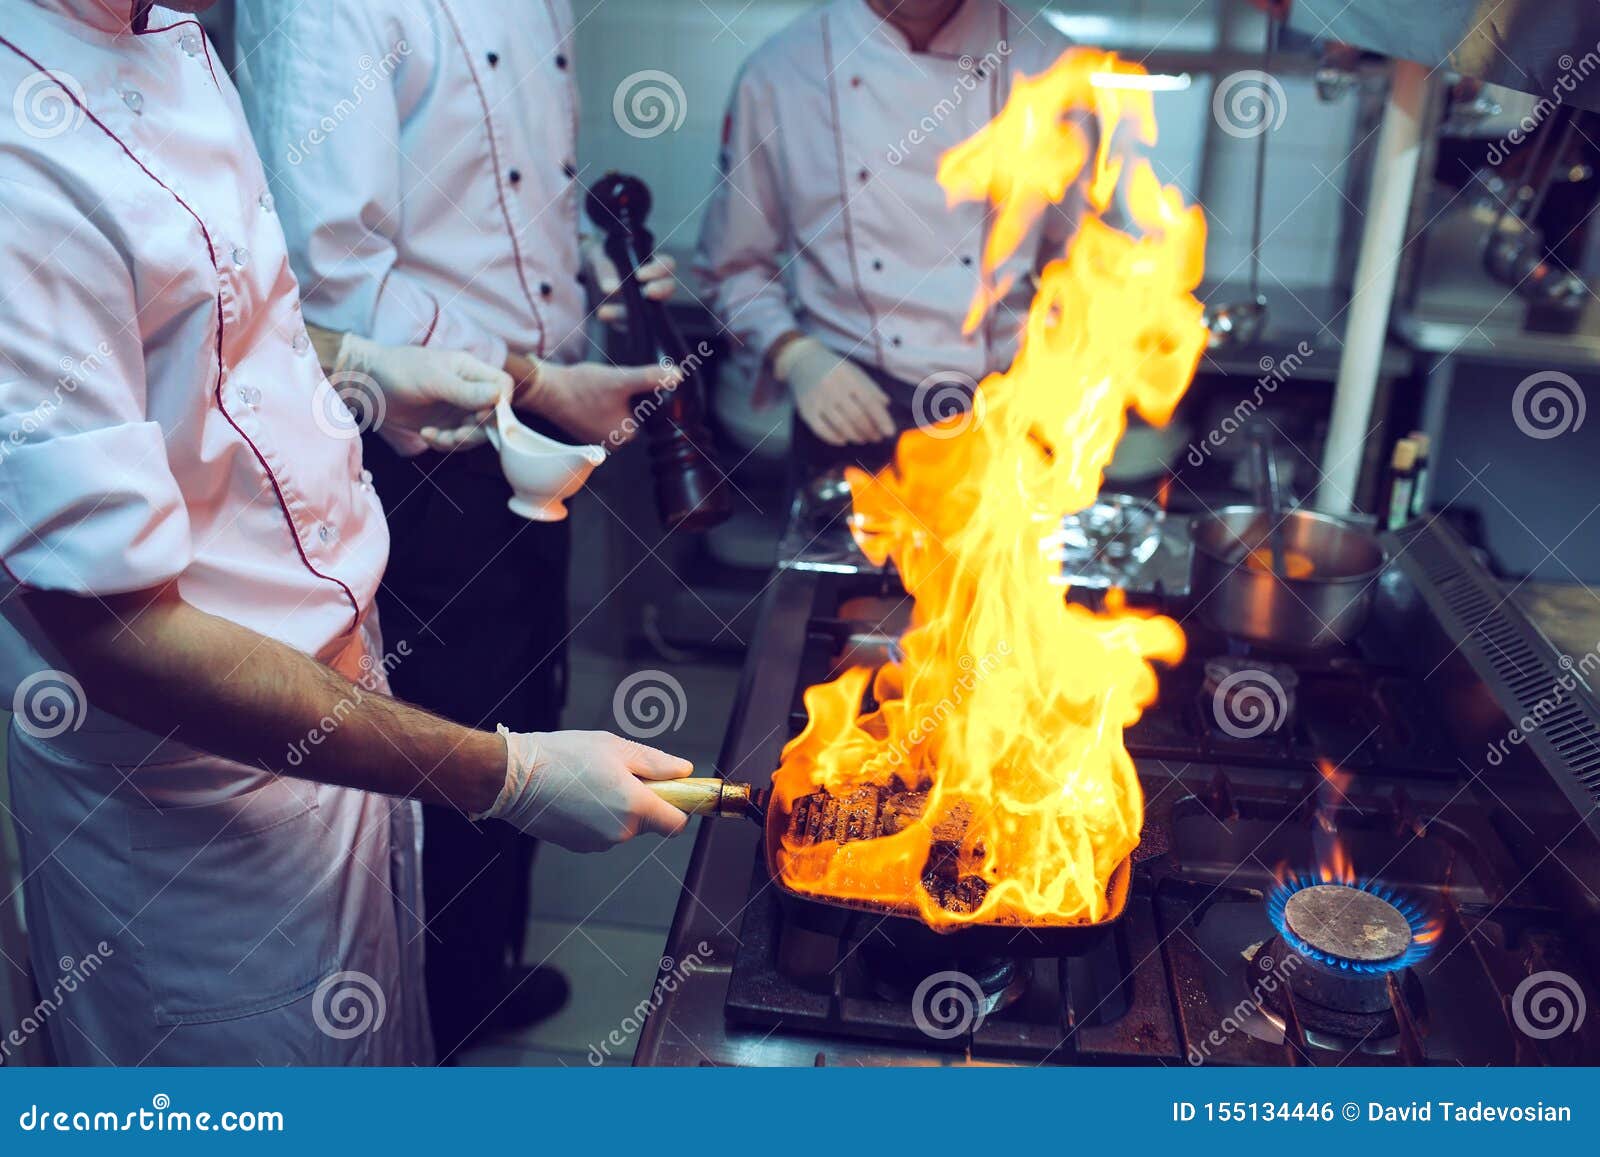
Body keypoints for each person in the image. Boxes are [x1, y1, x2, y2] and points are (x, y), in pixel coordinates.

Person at [0, 0, 690, 1067]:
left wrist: (369, 367)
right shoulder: (17, 155)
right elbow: (114, 633)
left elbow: (225, 321)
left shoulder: (163, 32)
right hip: (194, 794)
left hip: (333, 709)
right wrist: (501, 774)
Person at [231, 0, 678, 1058]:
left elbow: (513, 206)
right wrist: (536, 375)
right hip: (415, 440)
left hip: (526, 426)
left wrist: (584, 304)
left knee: (530, 692)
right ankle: (430, 1009)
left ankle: (478, 976)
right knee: (452, 721)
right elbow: (335, 274)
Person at [696, 0, 1074, 476]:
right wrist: (794, 353)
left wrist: (1059, 372)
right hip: (851, 407)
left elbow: (1093, 261)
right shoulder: (782, 71)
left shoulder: (1051, 63)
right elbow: (732, 267)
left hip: (1010, 410)